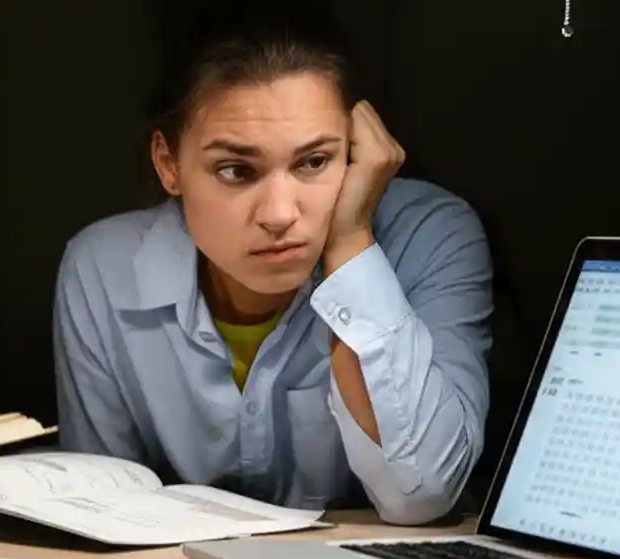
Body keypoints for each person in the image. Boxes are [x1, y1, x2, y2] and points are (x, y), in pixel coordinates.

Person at [51, 22, 493, 525]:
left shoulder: (429, 234)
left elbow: (424, 494)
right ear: (168, 163)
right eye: (237, 171)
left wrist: (350, 244)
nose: (280, 213)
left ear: (358, 152)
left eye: (314, 162)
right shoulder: (103, 268)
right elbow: (95, 507)